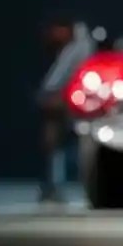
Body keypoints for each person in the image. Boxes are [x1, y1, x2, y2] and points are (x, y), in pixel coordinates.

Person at [37, 21, 99, 203]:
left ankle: (59, 185)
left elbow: (75, 75)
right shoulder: (70, 47)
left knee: (74, 145)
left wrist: (59, 96)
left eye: (55, 30)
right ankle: (53, 185)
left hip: (75, 101)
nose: (53, 36)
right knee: (55, 145)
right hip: (61, 102)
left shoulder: (83, 46)